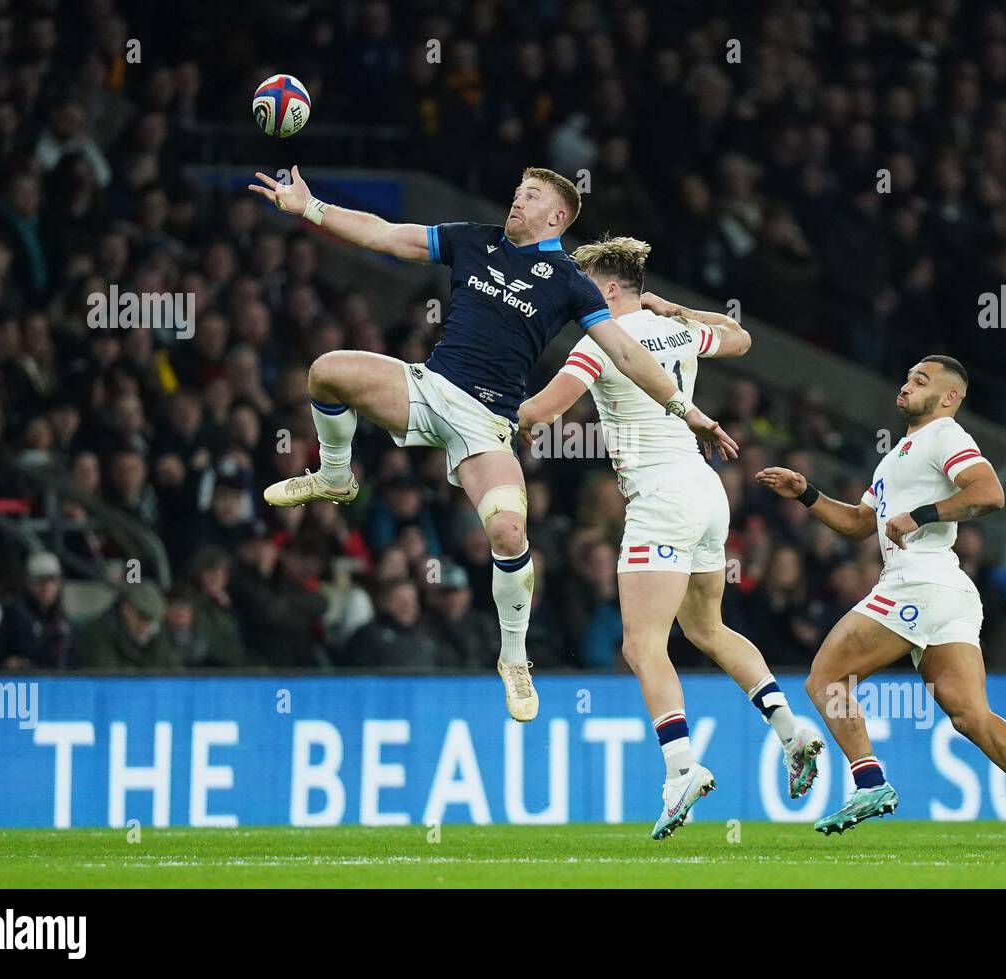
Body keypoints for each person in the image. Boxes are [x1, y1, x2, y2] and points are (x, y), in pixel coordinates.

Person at [248, 165, 737, 722]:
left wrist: (687, 410)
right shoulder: (473, 240)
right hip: (429, 389)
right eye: (516, 192)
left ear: (556, 216)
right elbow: (386, 234)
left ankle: (514, 659)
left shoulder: (570, 283)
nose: (516, 201)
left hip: (487, 423)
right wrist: (311, 209)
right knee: (327, 371)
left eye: (529, 196)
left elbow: (625, 354)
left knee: (508, 532)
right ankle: (336, 475)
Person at [518, 236, 821, 840]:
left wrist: (486, 415)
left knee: (641, 644)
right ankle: (793, 729)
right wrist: (672, 308)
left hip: (660, 496)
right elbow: (741, 338)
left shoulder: (597, 343)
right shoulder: (679, 332)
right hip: (708, 490)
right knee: (707, 629)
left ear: (606, 290)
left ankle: (681, 767)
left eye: (584, 286)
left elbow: (542, 413)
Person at [757, 356, 1006, 848]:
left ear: (949, 398)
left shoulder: (944, 436)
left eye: (921, 381)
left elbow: (990, 493)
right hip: (947, 592)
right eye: (907, 377)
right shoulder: (895, 456)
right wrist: (807, 494)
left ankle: (870, 784)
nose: (907, 385)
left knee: (826, 679)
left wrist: (923, 513)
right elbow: (859, 524)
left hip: (918, 582)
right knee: (969, 714)